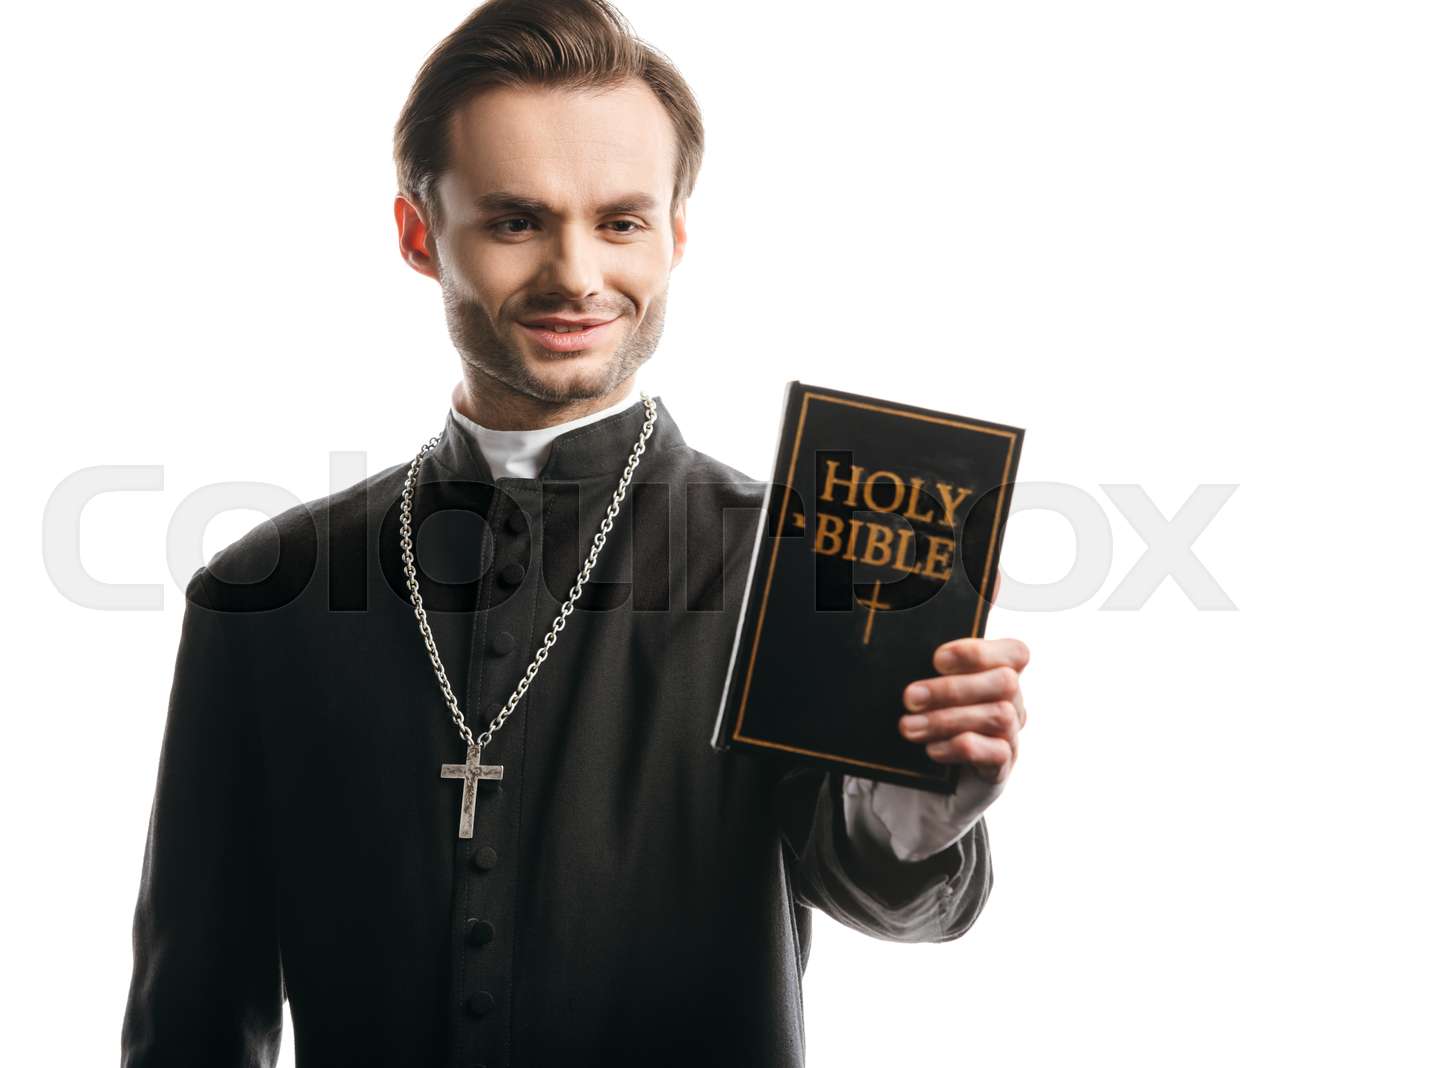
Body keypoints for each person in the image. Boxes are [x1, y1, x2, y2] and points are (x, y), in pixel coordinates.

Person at [119, 2, 1030, 1065]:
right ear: (421, 236)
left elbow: (882, 894)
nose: (577, 276)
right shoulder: (262, 591)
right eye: (515, 220)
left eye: (620, 221)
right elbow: (191, 1012)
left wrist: (912, 818)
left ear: (676, 236)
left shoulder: (796, 564)